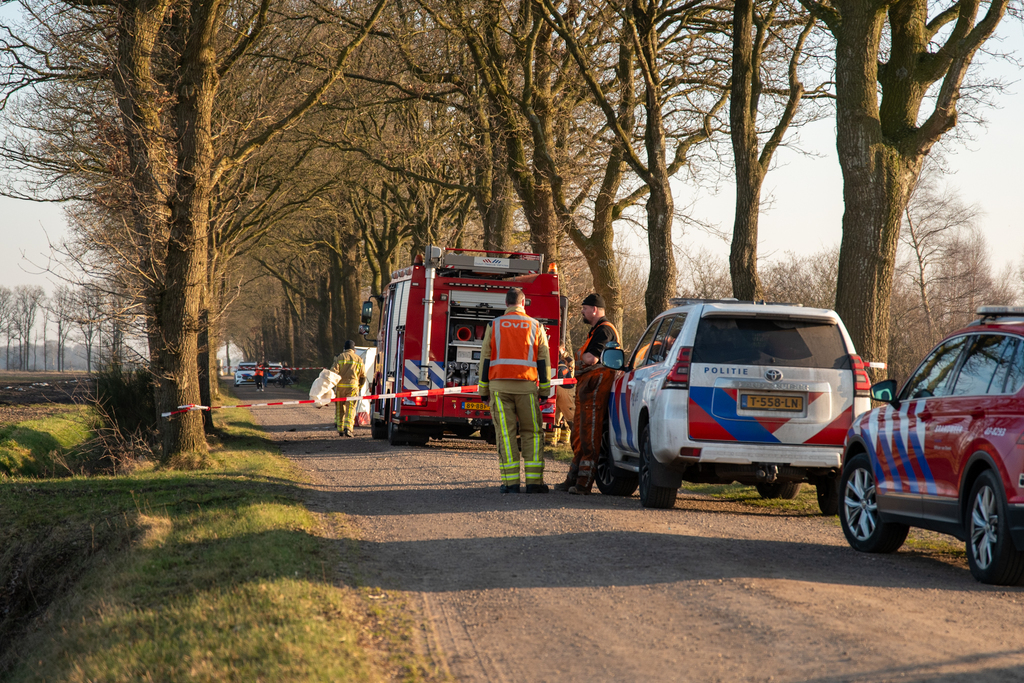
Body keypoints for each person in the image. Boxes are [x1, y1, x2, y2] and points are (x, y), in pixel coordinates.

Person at [478, 287, 552, 494]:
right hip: (527, 389)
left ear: (506, 303)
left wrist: (483, 390)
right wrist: (544, 390)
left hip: (499, 389)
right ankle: (534, 483)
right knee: (532, 433)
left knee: (506, 434)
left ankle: (510, 483)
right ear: (524, 302)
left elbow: (485, 360)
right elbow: (543, 360)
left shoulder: (494, 325)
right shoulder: (536, 326)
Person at [555, 293, 620, 494]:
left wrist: (580, 357)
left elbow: (591, 359)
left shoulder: (604, 331)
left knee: (589, 434)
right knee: (580, 435)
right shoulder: (596, 331)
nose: (582, 312)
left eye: (584, 308)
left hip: (595, 386)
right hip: (587, 386)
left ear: (594, 309)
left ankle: (584, 483)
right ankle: (573, 479)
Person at [331, 341, 366, 437]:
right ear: (354, 349)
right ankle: (348, 428)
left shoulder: (340, 357)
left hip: (340, 387)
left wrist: (332, 386)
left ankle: (340, 429)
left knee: (339, 408)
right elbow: (363, 376)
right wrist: (359, 387)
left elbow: (333, 372)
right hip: (353, 387)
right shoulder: (359, 359)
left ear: (344, 348)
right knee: (350, 408)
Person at [546, 343, 575, 446]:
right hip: (559, 387)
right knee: (555, 415)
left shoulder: (568, 360)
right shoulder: (561, 361)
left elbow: (570, 374)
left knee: (569, 417)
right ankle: (552, 440)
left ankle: (568, 439)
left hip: (565, 387)